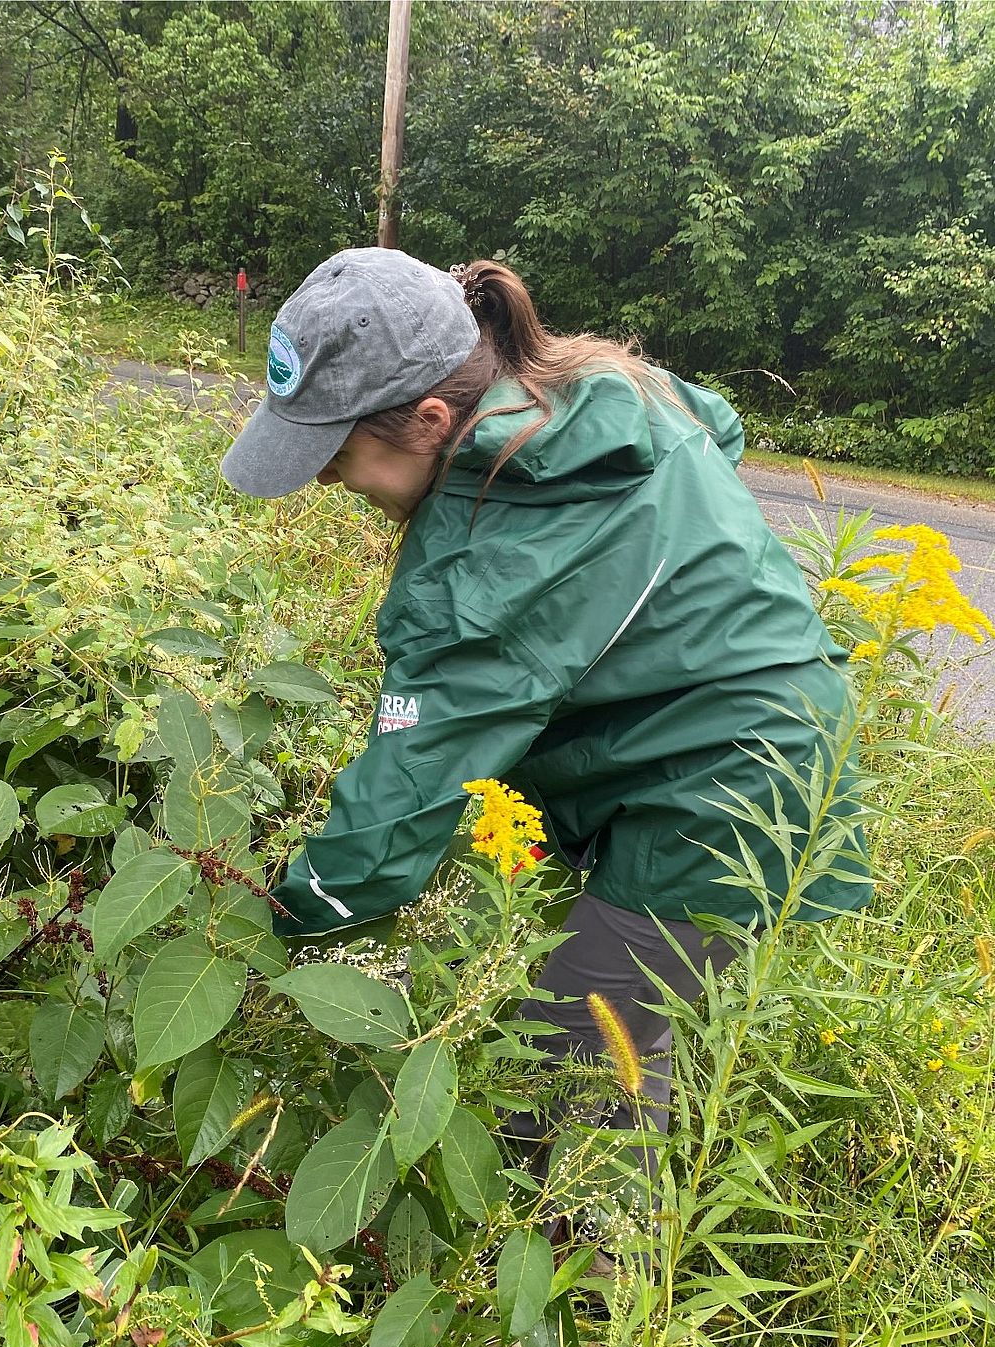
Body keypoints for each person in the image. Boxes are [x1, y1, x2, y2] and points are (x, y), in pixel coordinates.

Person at [220, 247, 871, 1199]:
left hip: (725, 798)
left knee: (563, 1086)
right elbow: (717, 428)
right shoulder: (609, 388)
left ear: (433, 419)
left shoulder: (490, 561)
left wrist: (271, 926)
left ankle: (583, 1327)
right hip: (744, 738)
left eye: (334, 455)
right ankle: (595, 1281)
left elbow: (408, 797)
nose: (323, 482)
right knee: (615, 1049)